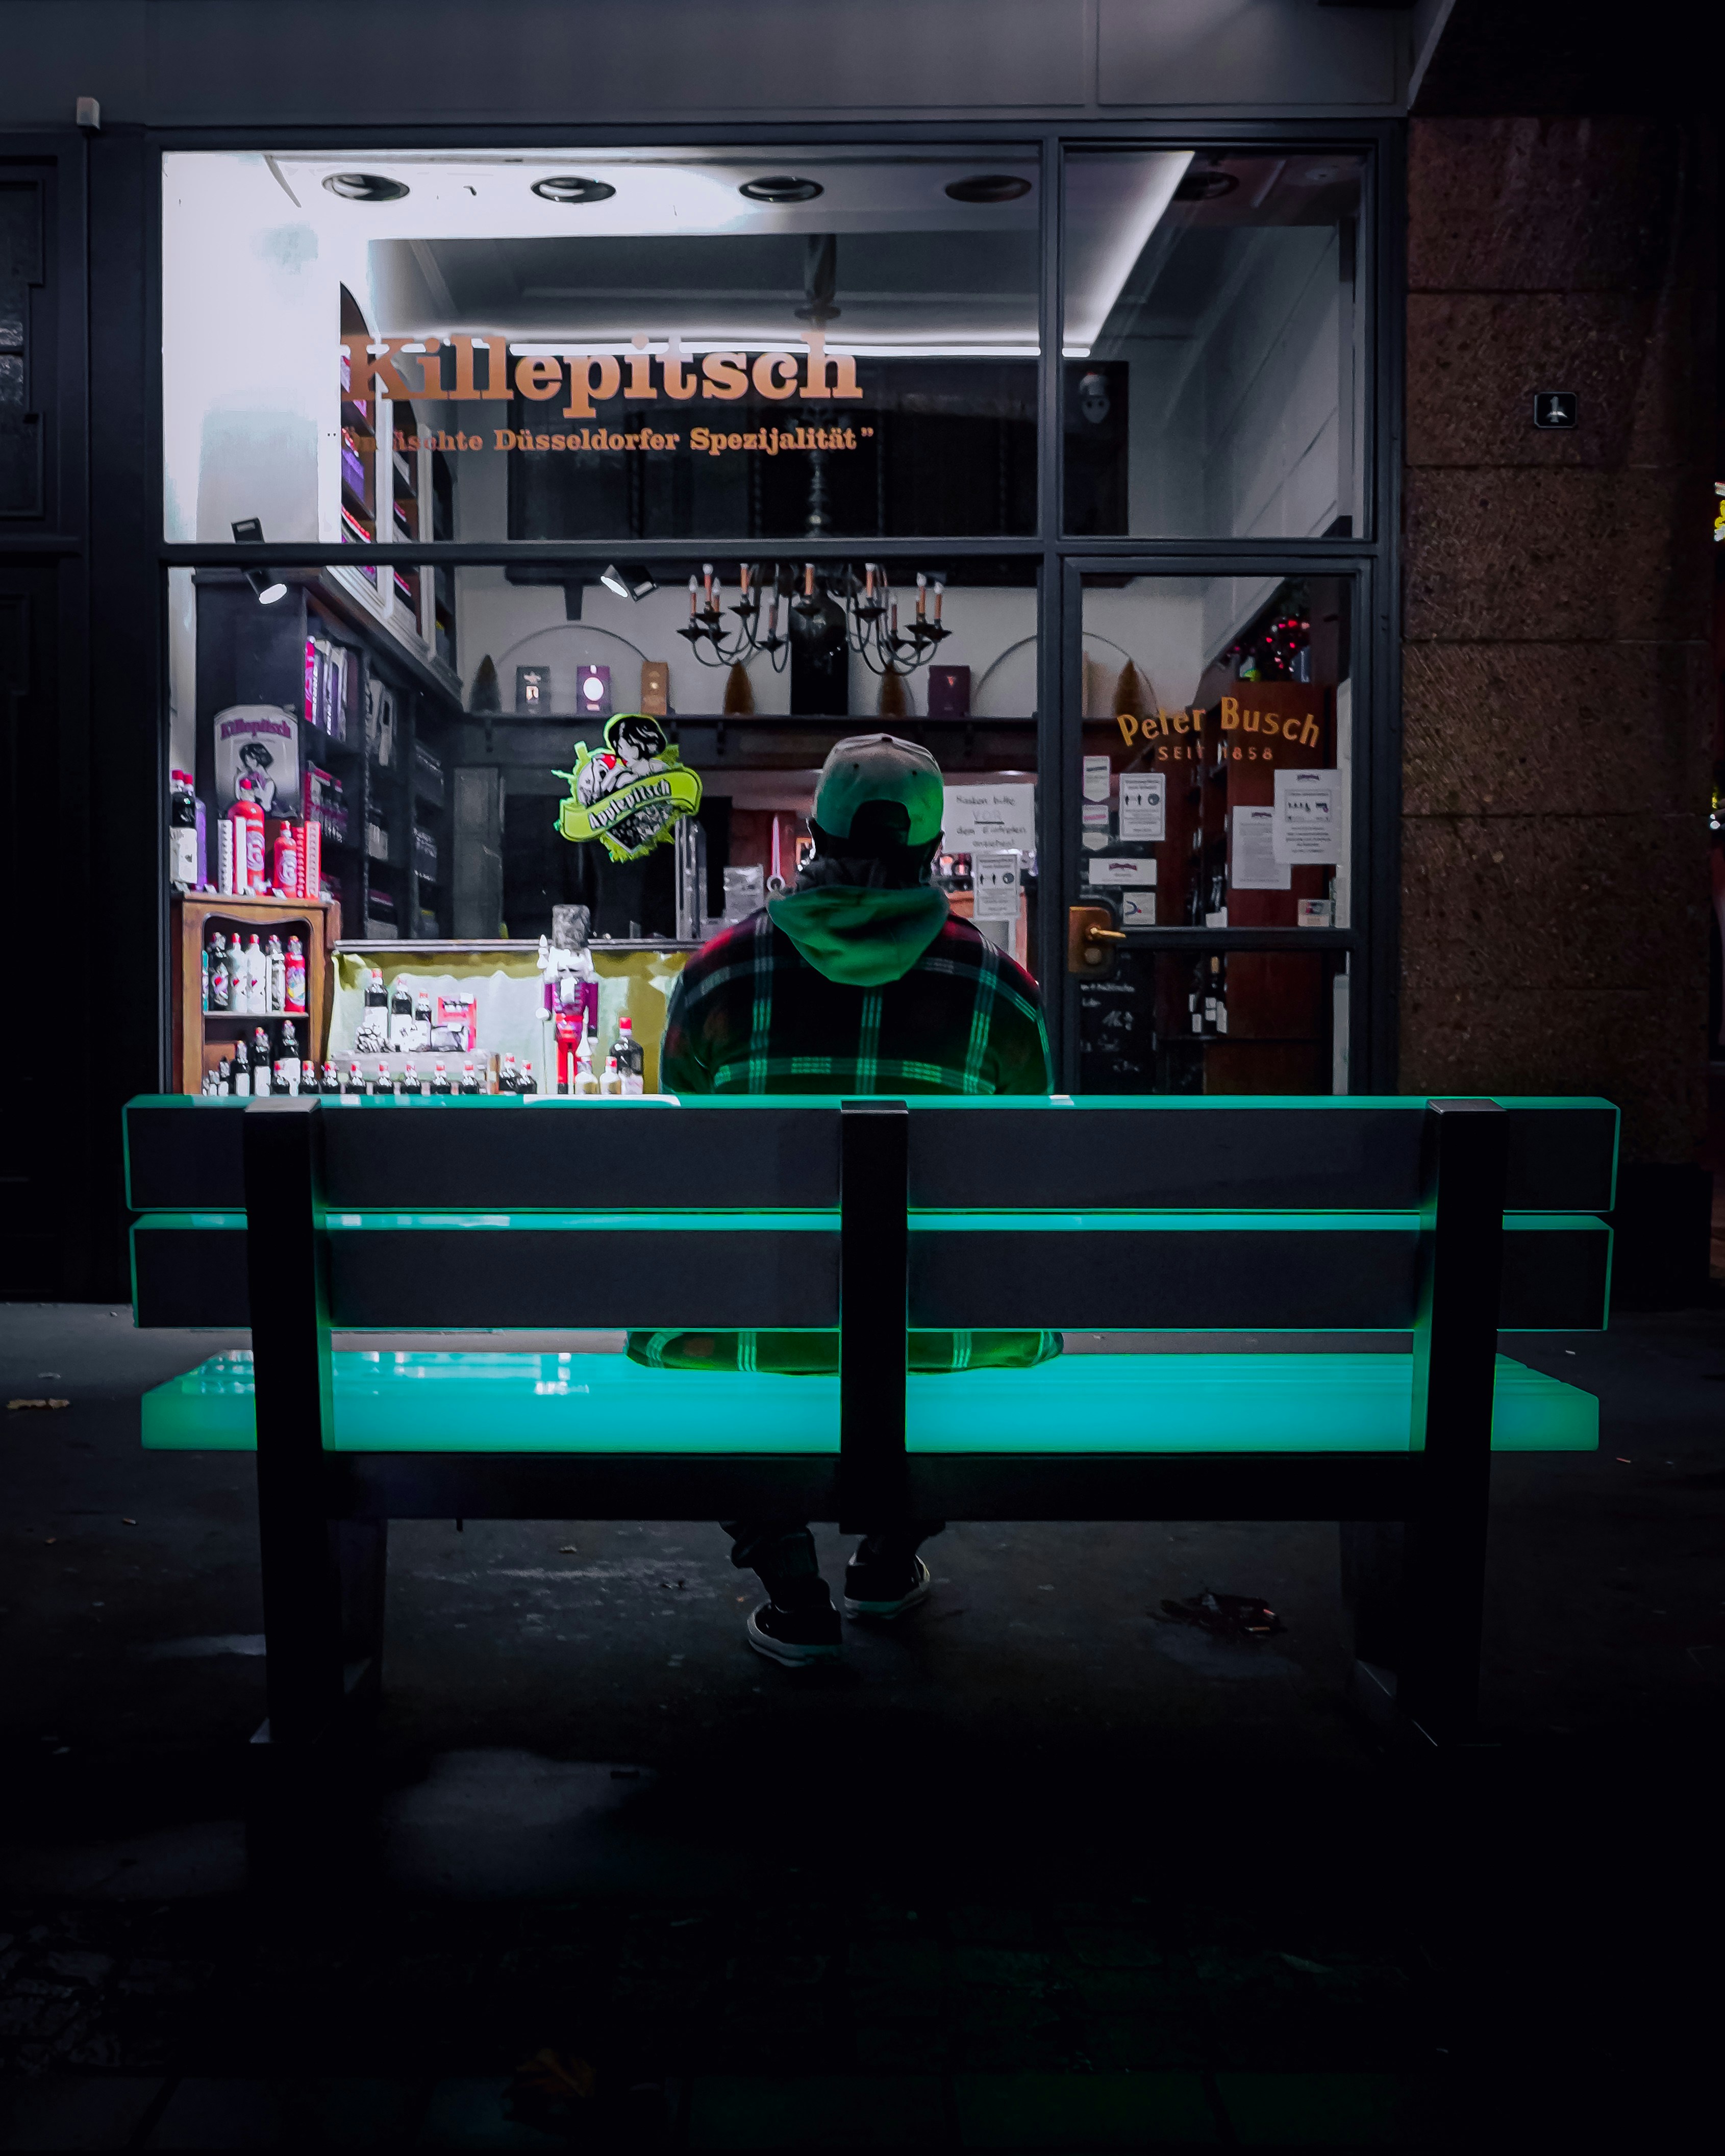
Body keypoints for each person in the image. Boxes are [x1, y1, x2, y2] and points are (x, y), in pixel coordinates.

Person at [650, 733, 1056, 1667]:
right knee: (965, 1320)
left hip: (754, 1335)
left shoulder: (717, 974)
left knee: (715, 1317)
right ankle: (885, 1556)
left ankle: (794, 1588)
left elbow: (681, 1174)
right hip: (938, 1338)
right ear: (931, 847)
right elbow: (1024, 1185)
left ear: (816, 835)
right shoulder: (1000, 987)